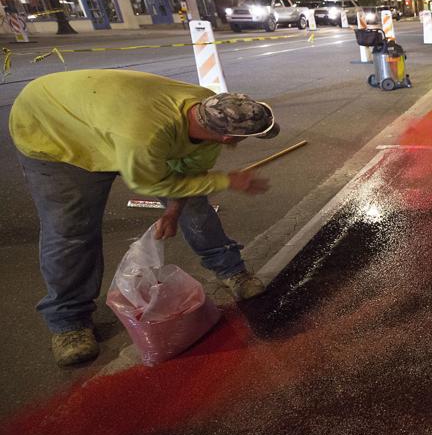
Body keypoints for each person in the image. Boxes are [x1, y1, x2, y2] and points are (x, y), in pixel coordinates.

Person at [10, 71, 277, 366]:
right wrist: (227, 181)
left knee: (194, 204)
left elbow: (187, 177)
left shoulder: (207, 110)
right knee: (71, 230)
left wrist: (173, 212)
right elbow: (150, 184)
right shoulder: (144, 135)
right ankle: (68, 322)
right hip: (54, 131)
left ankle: (231, 270)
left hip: (111, 121)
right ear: (229, 137)